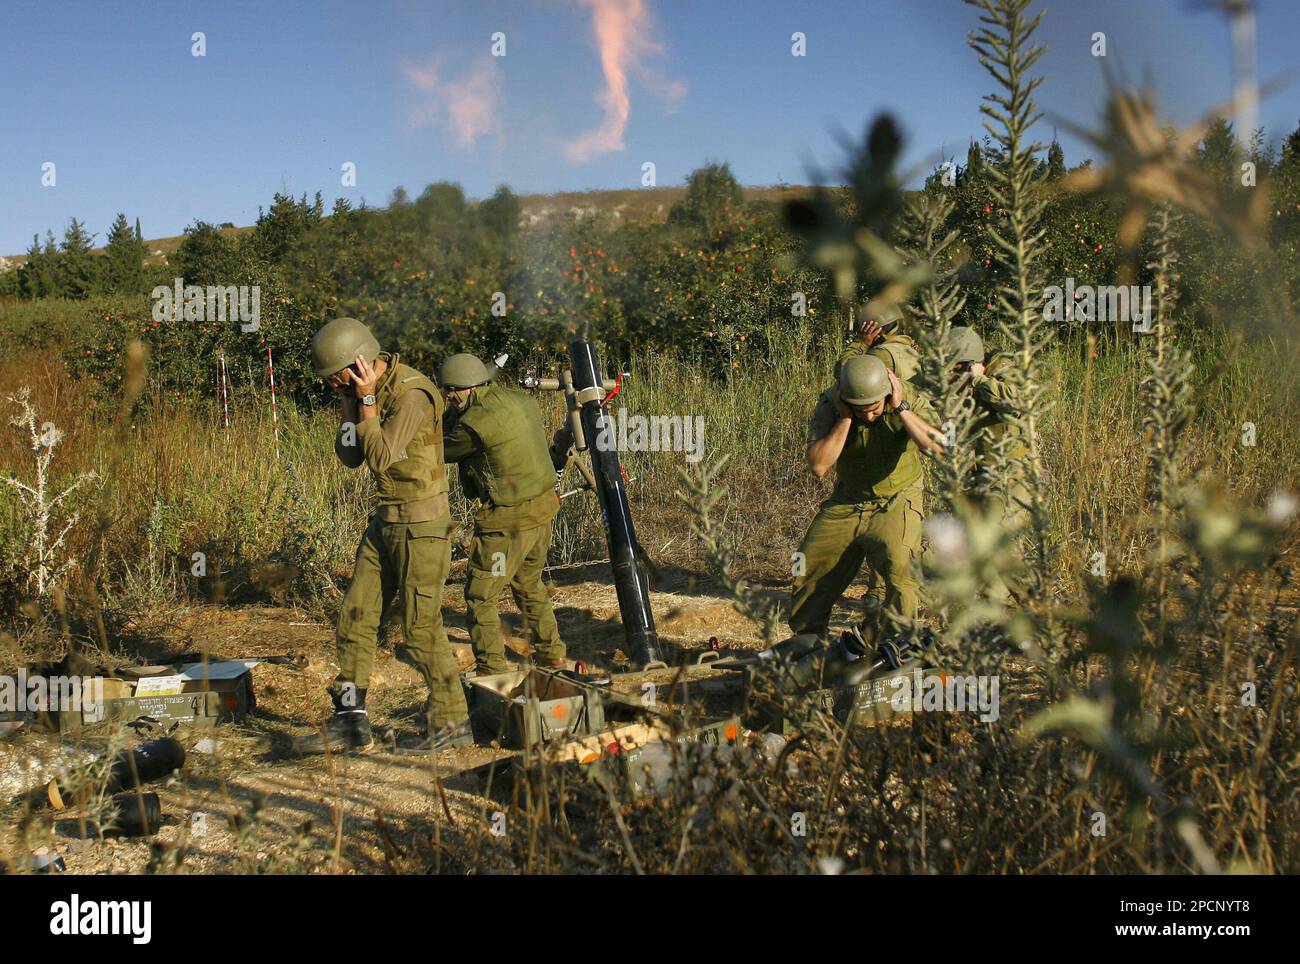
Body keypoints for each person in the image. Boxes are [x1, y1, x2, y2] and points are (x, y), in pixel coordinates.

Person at [297, 317, 471, 755]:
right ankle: (350, 719)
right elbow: (349, 455)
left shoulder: (412, 393)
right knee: (356, 615)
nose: (331, 382)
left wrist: (368, 401)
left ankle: (453, 721)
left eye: (335, 375)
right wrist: (349, 404)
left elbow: (379, 457)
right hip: (387, 520)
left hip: (423, 525)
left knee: (419, 629)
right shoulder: (359, 390)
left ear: (358, 360)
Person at [790, 353, 944, 644]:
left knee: (901, 571)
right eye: (860, 409)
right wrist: (846, 418)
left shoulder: (906, 396)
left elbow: (939, 448)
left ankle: (900, 646)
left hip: (896, 498)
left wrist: (901, 408)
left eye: (874, 408)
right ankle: (809, 643)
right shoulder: (831, 404)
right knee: (808, 564)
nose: (869, 416)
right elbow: (819, 465)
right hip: (849, 500)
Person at [438, 353, 567, 676]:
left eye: (450, 392)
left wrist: (447, 415)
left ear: (464, 388)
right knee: (528, 583)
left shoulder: (473, 423)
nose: (448, 398)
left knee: (481, 596)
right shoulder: (520, 400)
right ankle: (552, 654)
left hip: (508, 522)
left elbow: (440, 449)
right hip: (543, 507)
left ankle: (491, 667)